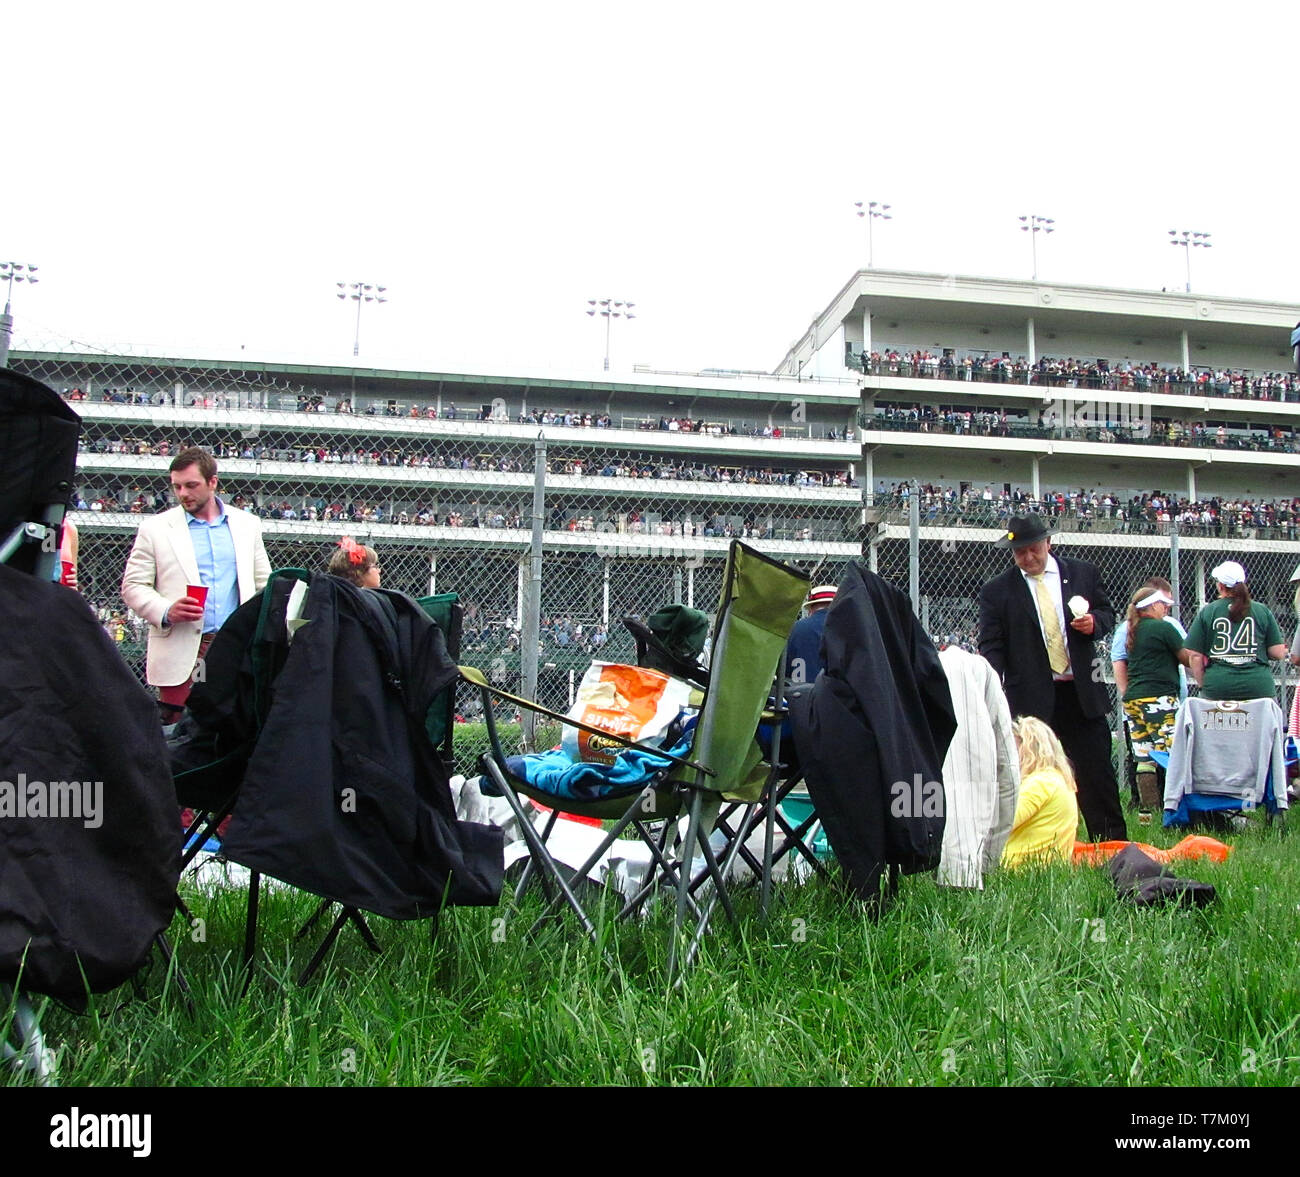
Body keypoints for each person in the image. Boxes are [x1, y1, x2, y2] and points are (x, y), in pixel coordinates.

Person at [978, 514, 1126, 840]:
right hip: (1030, 698)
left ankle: (1111, 842)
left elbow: (1106, 612)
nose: (1028, 558)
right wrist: (993, 687)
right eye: (1019, 553)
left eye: (1033, 550)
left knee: (1095, 770)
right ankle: (1033, 839)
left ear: (1049, 543)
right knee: (1030, 773)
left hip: (1081, 692)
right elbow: (991, 644)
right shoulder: (996, 591)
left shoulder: (1083, 574)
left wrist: (1094, 624)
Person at [121, 446, 271, 722]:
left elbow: (264, 585)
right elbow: (133, 586)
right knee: (177, 733)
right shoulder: (154, 529)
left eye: (191, 485)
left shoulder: (247, 525)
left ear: (213, 482)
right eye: (177, 487)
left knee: (231, 728)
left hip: (234, 645)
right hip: (180, 647)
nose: (183, 494)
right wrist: (167, 611)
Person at [1118, 584, 1197, 824]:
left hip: (1133, 700)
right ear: (1152, 606)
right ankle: (1177, 812)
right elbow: (1186, 658)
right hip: (1159, 700)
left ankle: (1147, 815)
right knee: (1174, 754)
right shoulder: (1164, 628)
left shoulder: (1133, 629)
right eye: (1164, 605)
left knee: (1144, 757)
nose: (1166, 609)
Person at [1183, 560, 1287, 702]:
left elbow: (1195, 656)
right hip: (1258, 688)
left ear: (1220, 586)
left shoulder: (1208, 611)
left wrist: (1204, 686)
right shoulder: (1261, 610)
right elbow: (1278, 652)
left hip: (1218, 687)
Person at [1002, 715, 1079, 868]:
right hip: (1046, 868)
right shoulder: (1059, 779)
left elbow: (1000, 825)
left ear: (1027, 749)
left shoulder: (1039, 784)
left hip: (1018, 868)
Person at [785, 584, 836, 685]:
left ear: (811, 608)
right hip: (835, 697)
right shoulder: (848, 629)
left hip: (797, 695)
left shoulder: (795, 628)